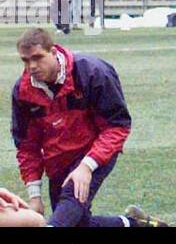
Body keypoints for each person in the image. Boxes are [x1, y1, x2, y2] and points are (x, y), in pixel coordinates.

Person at [10, 28, 166, 227]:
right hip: (58, 160)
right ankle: (135, 224)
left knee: (66, 208)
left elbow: (117, 126)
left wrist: (87, 166)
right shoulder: (23, 91)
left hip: (95, 151)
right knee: (77, 223)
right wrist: (34, 195)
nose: (31, 66)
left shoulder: (93, 72)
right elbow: (27, 146)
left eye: (38, 58)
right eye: (25, 60)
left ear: (54, 52)